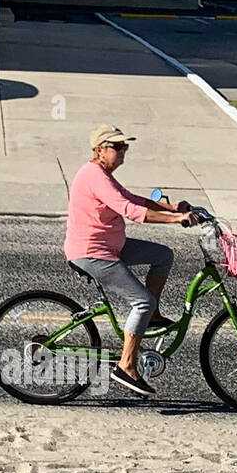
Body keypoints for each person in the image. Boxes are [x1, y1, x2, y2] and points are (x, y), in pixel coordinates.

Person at [64, 124, 197, 398]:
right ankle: (126, 366)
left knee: (163, 256)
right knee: (142, 301)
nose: (123, 151)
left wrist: (172, 207)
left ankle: (151, 317)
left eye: (125, 146)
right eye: (117, 146)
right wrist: (176, 219)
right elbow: (130, 210)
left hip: (113, 246)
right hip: (92, 252)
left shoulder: (103, 174)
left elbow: (131, 198)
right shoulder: (94, 176)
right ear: (98, 150)